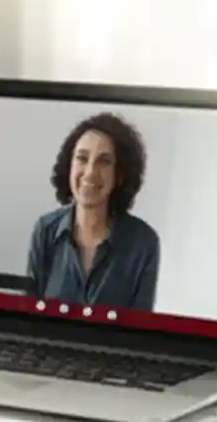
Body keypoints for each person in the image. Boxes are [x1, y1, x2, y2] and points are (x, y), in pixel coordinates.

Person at [26, 112, 160, 312]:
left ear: (120, 174)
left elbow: (139, 334)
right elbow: (28, 316)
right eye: (82, 158)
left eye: (104, 161)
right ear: (69, 165)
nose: (90, 172)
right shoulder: (44, 231)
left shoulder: (143, 243)